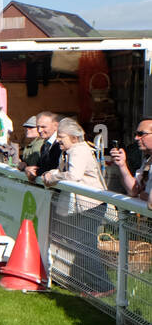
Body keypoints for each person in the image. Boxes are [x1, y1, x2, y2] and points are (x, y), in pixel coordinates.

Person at [42, 118, 113, 294]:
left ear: (74, 137)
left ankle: (103, 286)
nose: (58, 140)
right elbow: (65, 172)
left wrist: (54, 176)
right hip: (85, 204)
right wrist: (53, 174)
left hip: (92, 204)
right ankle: (91, 283)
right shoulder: (69, 151)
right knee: (79, 243)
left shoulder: (78, 150)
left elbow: (73, 175)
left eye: (62, 136)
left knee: (84, 244)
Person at [110, 117, 152, 201]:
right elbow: (134, 191)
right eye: (136, 134)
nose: (136, 138)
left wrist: (144, 195)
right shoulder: (148, 160)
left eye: (141, 134)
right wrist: (122, 165)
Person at [25, 111, 61, 181]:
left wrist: (34, 172)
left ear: (56, 126)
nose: (39, 130)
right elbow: (41, 166)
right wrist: (26, 167)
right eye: (38, 127)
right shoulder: (45, 144)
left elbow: (54, 168)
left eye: (43, 127)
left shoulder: (59, 144)